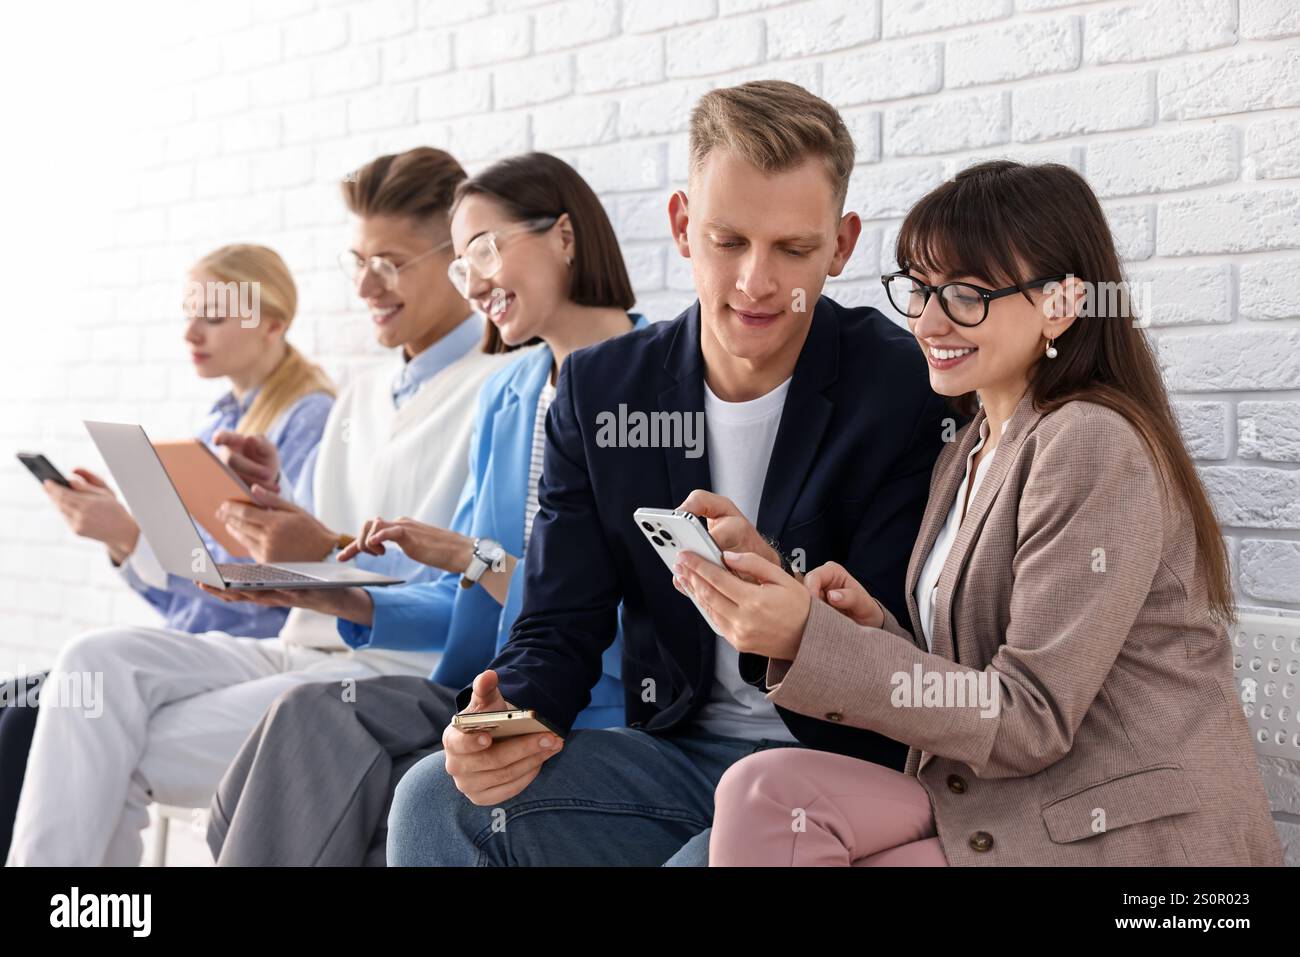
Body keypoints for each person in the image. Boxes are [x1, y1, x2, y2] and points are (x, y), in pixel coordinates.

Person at [386, 80, 950, 868]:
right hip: (680, 755)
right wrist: (507, 720)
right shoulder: (601, 389)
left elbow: (905, 633)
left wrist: (786, 604)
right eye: (728, 241)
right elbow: (560, 622)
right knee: (433, 798)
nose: (756, 282)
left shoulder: (902, 388)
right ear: (683, 225)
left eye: (792, 249)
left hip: (832, 771)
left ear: (842, 244)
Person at [694, 160, 1284, 867]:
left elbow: (1029, 717)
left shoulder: (1089, 441)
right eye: (919, 289)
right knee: (762, 787)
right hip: (1017, 795)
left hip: (1124, 833)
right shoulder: (968, 449)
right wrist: (856, 629)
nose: (929, 320)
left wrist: (816, 641)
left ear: (1062, 305)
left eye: (967, 294)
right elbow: (971, 681)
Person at [6, 147, 512, 867]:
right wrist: (278, 506)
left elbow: (473, 574)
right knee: (93, 663)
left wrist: (320, 545)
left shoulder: (504, 385)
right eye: (357, 260)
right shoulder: (363, 391)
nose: (367, 284)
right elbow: (333, 540)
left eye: (391, 261)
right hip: (296, 648)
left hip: (386, 673)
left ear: (458, 258)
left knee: (99, 741)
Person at [201, 152, 644, 865]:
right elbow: (462, 595)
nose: (475, 284)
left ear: (565, 235)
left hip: (592, 700)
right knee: (306, 721)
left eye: (485, 251)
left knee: (352, 806)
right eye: (463, 264)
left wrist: (480, 560)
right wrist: (349, 596)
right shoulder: (508, 395)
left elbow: (632, 606)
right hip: (477, 689)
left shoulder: (655, 384)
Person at [0, 242, 334, 860]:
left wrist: (134, 538)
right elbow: (192, 583)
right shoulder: (218, 419)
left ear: (273, 322)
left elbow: (284, 588)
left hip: (256, 650)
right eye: (188, 312)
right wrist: (128, 539)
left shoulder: (310, 421)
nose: (190, 332)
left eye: (211, 313)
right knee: (13, 701)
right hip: (202, 646)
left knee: (25, 718)